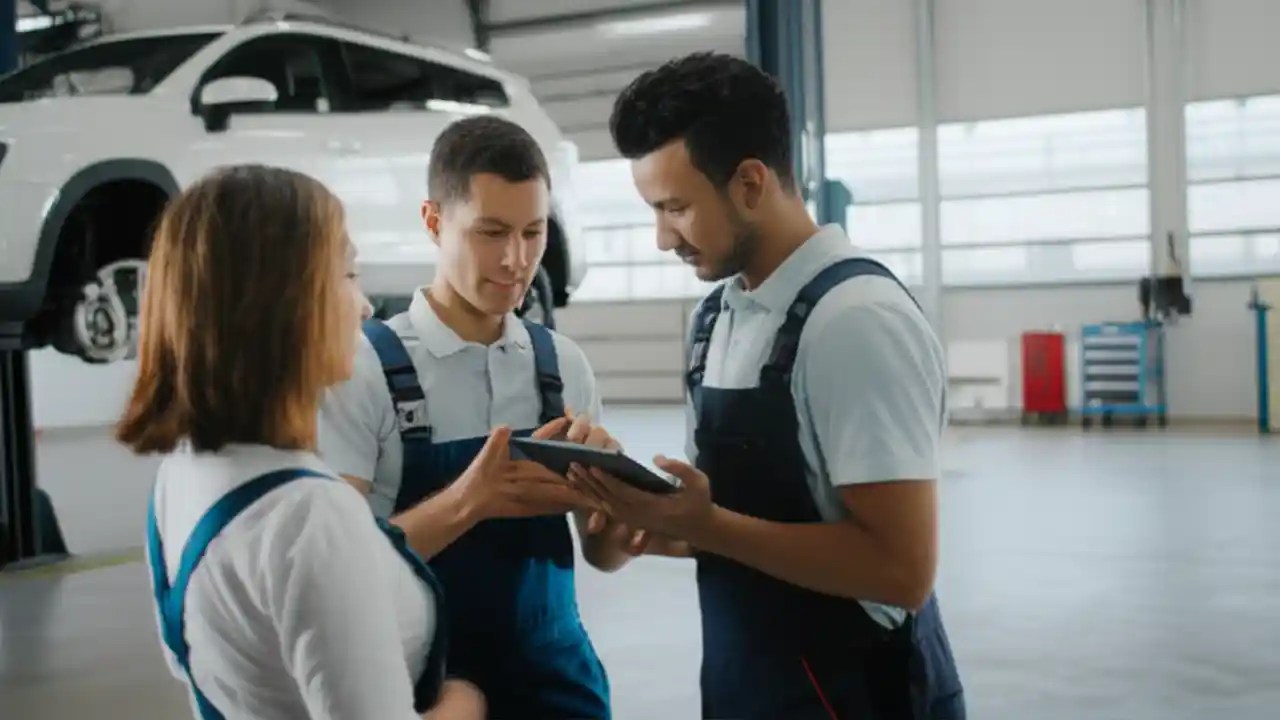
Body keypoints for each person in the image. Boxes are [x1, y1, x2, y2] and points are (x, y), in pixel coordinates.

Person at [572, 52, 967, 719]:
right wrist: (636, 519)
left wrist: (707, 524)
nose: (662, 237)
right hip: (748, 690)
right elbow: (734, 525)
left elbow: (900, 570)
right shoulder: (717, 318)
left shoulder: (855, 321)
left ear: (751, 183)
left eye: (676, 208)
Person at [120, 164, 495, 719]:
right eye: (348, 274)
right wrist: (467, 703)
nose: (365, 307)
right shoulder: (311, 515)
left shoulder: (184, 473)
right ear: (280, 301)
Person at [318, 115, 642, 719]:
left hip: (559, 685)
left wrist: (623, 518)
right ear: (434, 222)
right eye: (491, 233)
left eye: (533, 232)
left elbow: (601, 554)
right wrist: (473, 499)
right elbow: (341, 571)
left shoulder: (563, 366)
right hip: (431, 689)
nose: (516, 260)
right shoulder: (361, 369)